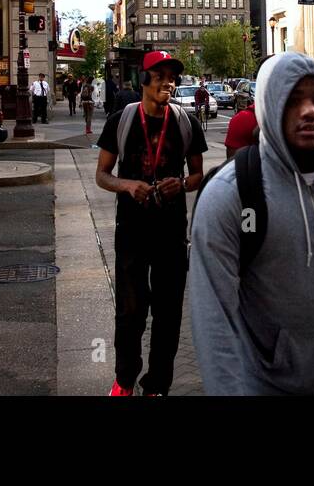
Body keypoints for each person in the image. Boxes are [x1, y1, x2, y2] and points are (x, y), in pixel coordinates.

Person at [189, 52, 314, 395]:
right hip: (263, 385)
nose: (310, 110)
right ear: (270, 105)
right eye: (294, 100)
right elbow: (213, 321)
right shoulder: (230, 195)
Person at [96, 50, 207, 396]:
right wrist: (127, 185)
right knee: (130, 309)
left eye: (172, 77)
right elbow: (102, 174)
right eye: (159, 76)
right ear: (143, 80)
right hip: (131, 229)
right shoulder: (121, 121)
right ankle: (125, 379)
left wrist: (183, 183)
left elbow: (198, 174)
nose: (167, 83)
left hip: (172, 231)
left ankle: (158, 384)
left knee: (168, 312)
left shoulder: (185, 121)